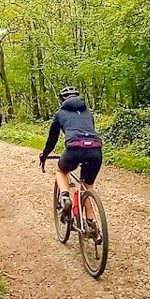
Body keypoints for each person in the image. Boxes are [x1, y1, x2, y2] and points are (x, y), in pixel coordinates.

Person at [39, 86, 103, 224]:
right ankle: (91, 222)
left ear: (62, 100)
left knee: (61, 171)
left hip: (74, 149)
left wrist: (44, 155)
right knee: (87, 186)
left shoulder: (60, 113)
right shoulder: (88, 112)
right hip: (95, 149)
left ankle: (65, 198)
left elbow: (52, 139)